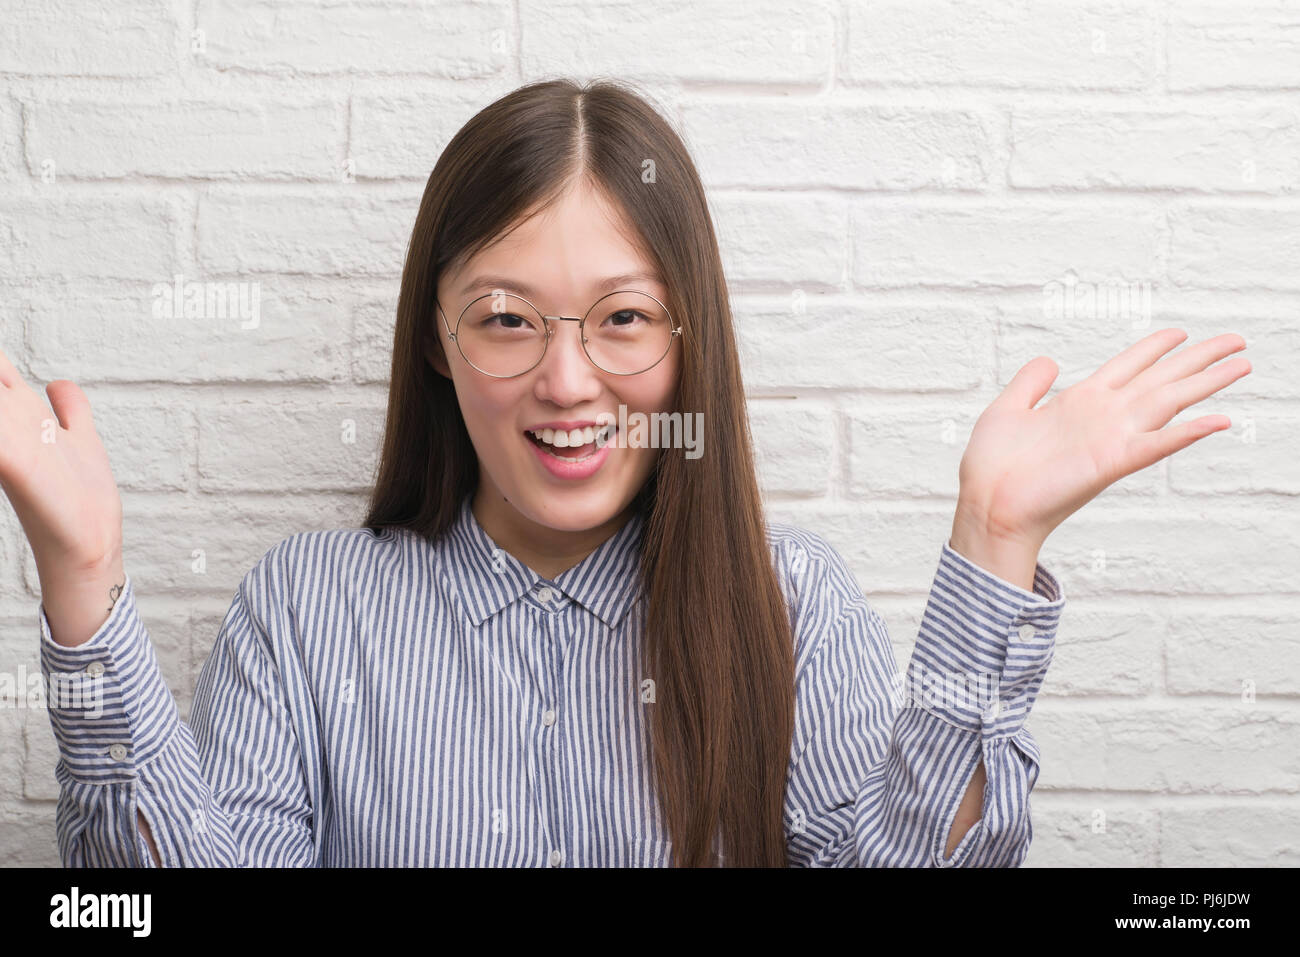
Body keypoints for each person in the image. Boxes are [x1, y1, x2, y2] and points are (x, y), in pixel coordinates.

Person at [0, 79, 1250, 868]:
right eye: (505, 320)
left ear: (686, 333)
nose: (568, 383)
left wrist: (994, 542)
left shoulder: (789, 602)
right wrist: (84, 582)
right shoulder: (306, 607)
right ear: (437, 341)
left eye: (623, 320)